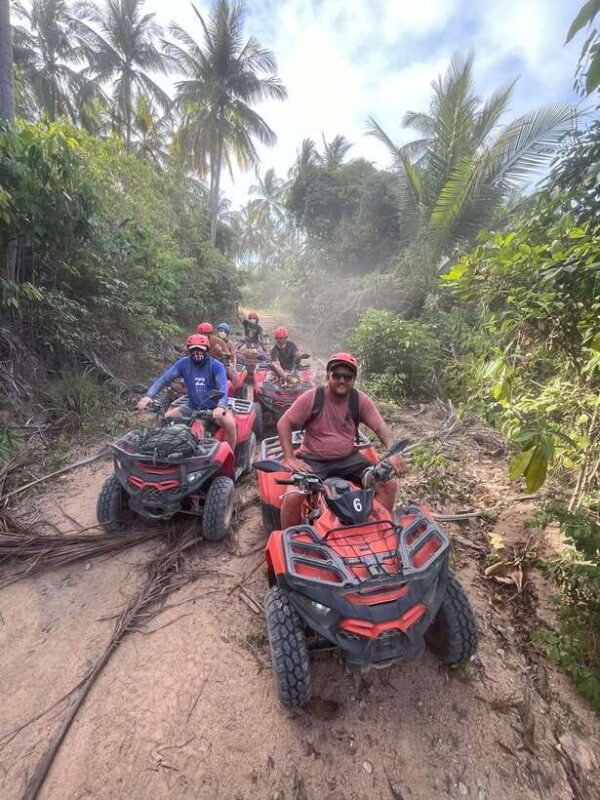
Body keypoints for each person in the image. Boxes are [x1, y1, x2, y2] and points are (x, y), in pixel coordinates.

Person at [277, 352, 407, 527]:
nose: (342, 380)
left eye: (347, 377)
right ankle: (290, 539)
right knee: (293, 497)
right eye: (336, 375)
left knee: (388, 484)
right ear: (328, 375)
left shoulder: (359, 400)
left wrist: (393, 451)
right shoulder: (313, 397)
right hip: (314, 460)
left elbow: (380, 427)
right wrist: (291, 458)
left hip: (348, 460)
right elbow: (284, 423)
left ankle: (379, 531)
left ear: (353, 379)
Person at [137, 334, 236, 450]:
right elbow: (164, 379)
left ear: (207, 350)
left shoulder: (216, 365)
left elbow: (223, 389)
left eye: (200, 350)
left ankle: (230, 457)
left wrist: (220, 407)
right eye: (193, 350)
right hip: (192, 407)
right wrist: (148, 396)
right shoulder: (183, 363)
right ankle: (160, 450)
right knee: (165, 419)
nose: (197, 353)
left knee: (230, 425)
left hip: (213, 408)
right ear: (189, 350)